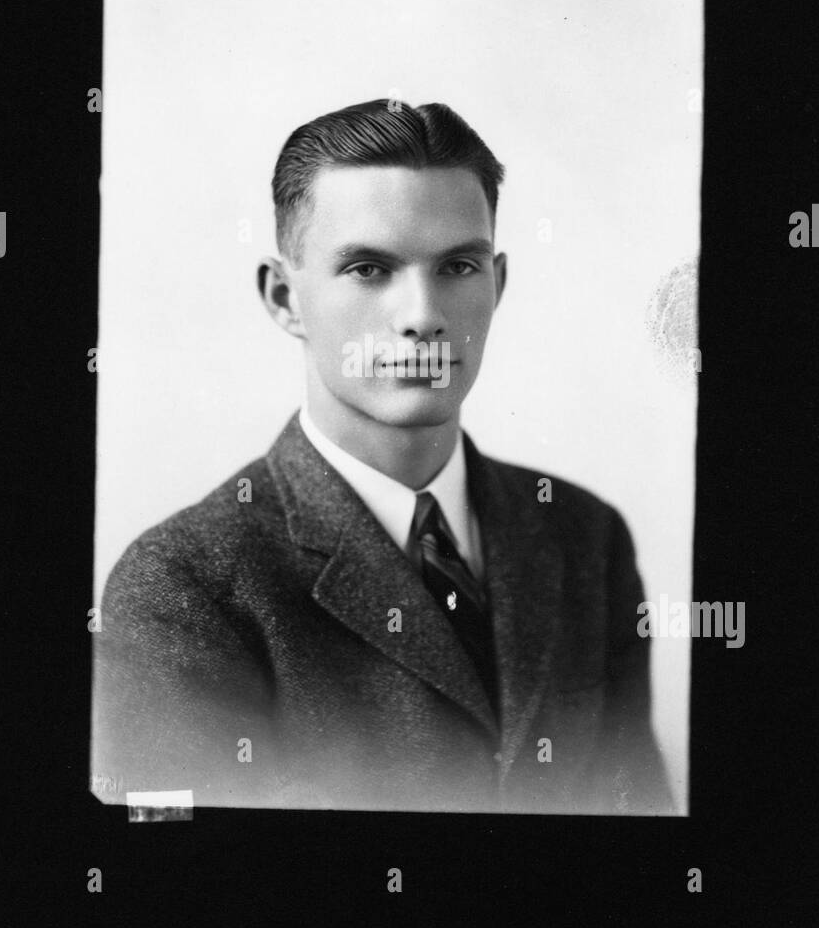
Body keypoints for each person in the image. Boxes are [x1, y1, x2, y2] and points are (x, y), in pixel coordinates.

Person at [91, 98, 672, 814]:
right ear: (285, 298)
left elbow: (638, 828)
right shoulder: (186, 587)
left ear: (499, 285)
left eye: (460, 265)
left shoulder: (584, 537)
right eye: (369, 268)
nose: (423, 314)